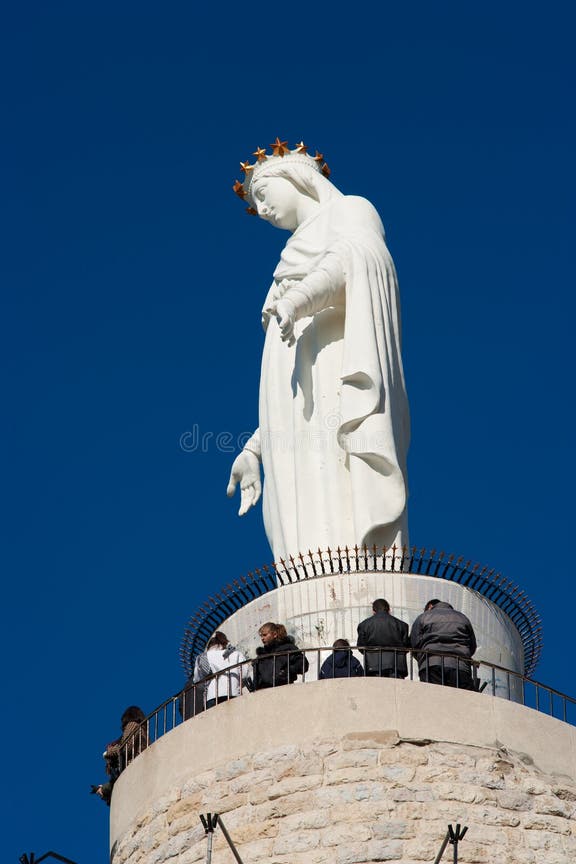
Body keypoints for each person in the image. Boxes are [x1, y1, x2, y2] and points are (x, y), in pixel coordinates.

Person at [227, 140, 410, 561]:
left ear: (296, 178)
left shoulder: (350, 210)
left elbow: (358, 258)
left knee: (337, 474)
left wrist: (300, 298)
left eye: (263, 194)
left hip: (339, 366)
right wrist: (255, 448)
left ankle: (358, 566)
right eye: (257, 205)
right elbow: (293, 392)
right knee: (302, 506)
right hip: (300, 403)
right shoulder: (287, 258)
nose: (263, 210)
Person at [410, 599, 477, 690]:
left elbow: (414, 643)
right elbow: (472, 645)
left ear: (430, 606)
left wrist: (421, 658)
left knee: (433, 696)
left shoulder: (423, 617)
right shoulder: (463, 618)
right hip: (460, 665)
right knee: (461, 697)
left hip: (431, 664)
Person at [92, 705, 147, 805]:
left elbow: (126, 747)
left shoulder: (132, 725)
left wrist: (108, 753)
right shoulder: (141, 729)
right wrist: (103, 788)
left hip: (133, 767)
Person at [357, 598, 410, 677]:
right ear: (389, 610)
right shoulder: (402, 625)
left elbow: (361, 646)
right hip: (396, 666)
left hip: (373, 666)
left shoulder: (364, 625)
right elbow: (406, 646)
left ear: (373, 611)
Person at [253, 622, 309, 690]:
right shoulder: (261, 656)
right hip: (265, 692)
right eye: (261, 636)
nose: (262, 638)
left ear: (275, 634)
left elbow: (303, 664)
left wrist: (287, 671)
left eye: (265, 635)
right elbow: (257, 678)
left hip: (285, 689)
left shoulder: (287, 649)